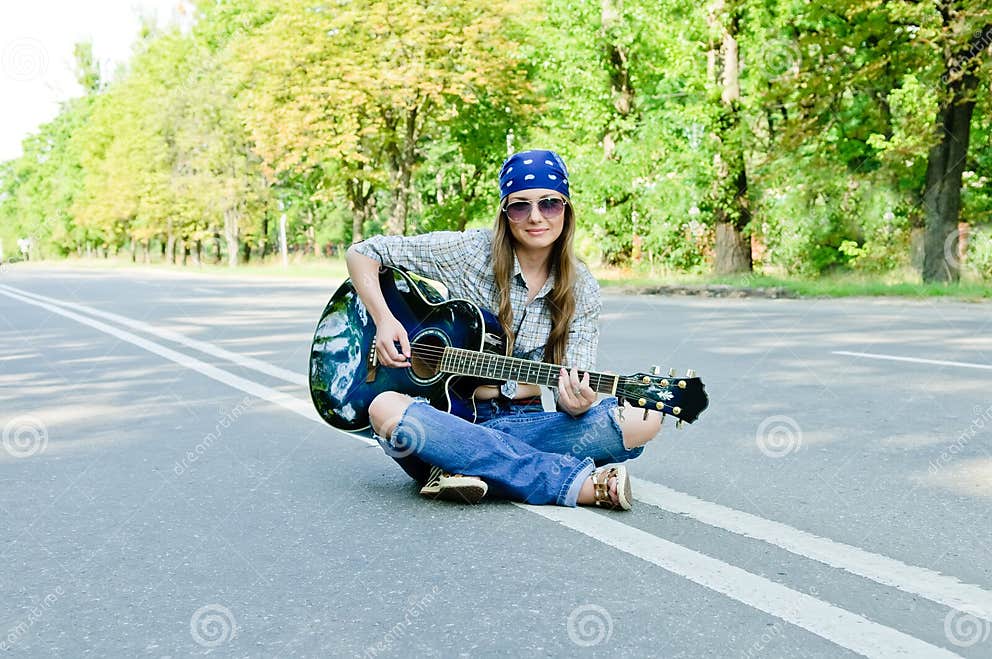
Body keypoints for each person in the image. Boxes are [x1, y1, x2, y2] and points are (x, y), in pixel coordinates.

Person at [345, 149, 663, 509]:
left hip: (524, 424)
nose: (535, 217)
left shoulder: (581, 287)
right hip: (444, 417)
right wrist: (385, 320)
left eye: (549, 204)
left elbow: (569, 395)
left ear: (566, 210)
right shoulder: (470, 251)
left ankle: (461, 462)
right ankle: (577, 486)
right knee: (384, 408)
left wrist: (576, 401)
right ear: (505, 213)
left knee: (642, 420)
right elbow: (362, 253)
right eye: (520, 206)